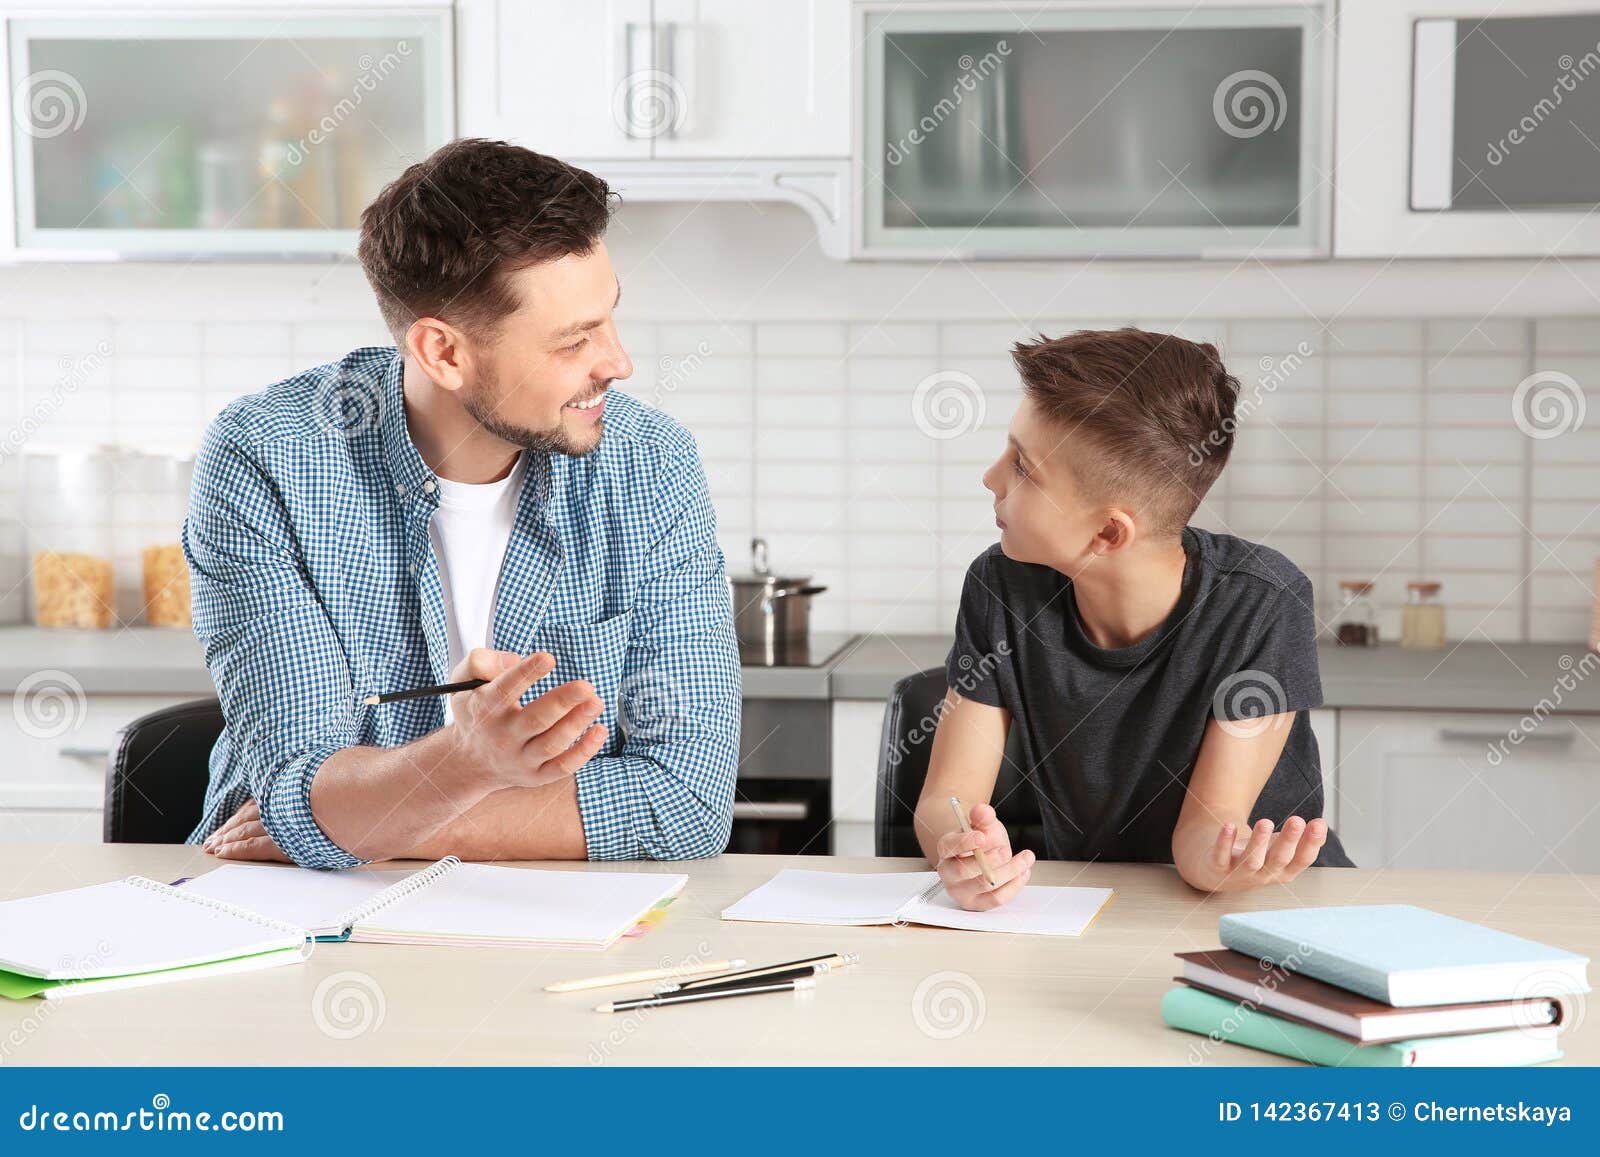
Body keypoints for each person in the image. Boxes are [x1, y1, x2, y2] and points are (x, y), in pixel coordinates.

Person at [189, 139, 740, 868]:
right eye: (573, 341)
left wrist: (395, 815)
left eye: (608, 316)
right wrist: (462, 763)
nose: (617, 362)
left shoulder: (648, 464)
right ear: (443, 353)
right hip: (299, 919)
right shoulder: (269, 458)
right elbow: (300, 781)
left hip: (543, 924)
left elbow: (690, 803)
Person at [918, 327, 1353, 907]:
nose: (990, 477)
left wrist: (1226, 863)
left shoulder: (1263, 602)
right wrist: (961, 850)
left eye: (1022, 467)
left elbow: (1206, 831)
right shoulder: (1000, 587)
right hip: (1098, 905)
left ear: (1107, 532)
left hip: (1262, 902)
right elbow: (944, 795)